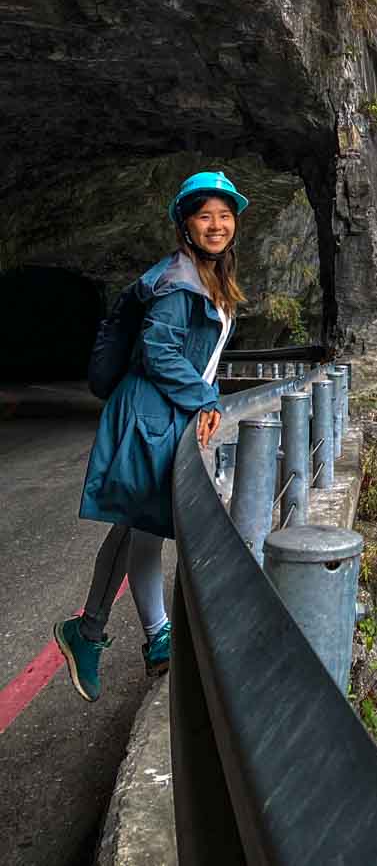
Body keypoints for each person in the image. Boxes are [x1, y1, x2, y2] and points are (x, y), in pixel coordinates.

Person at [54, 170, 248, 702]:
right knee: (142, 523)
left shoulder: (205, 277)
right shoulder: (178, 281)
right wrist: (204, 399)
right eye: (205, 215)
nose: (217, 225)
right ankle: (105, 631)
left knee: (143, 529)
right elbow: (159, 350)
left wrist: (203, 399)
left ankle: (137, 635)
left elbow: (199, 357)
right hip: (150, 412)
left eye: (225, 215)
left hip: (168, 411)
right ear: (185, 224)